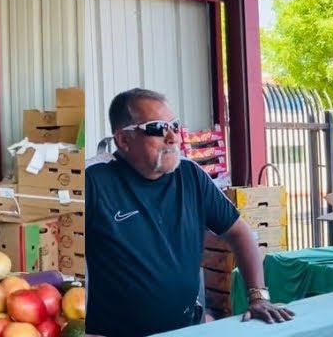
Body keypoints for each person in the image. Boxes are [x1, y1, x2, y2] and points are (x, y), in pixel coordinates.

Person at [84, 89, 292, 337]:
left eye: (175, 126)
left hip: (187, 330)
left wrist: (258, 297)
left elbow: (240, 234)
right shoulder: (93, 181)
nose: (173, 137)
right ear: (124, 140)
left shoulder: (191, 176)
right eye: (157, 128)